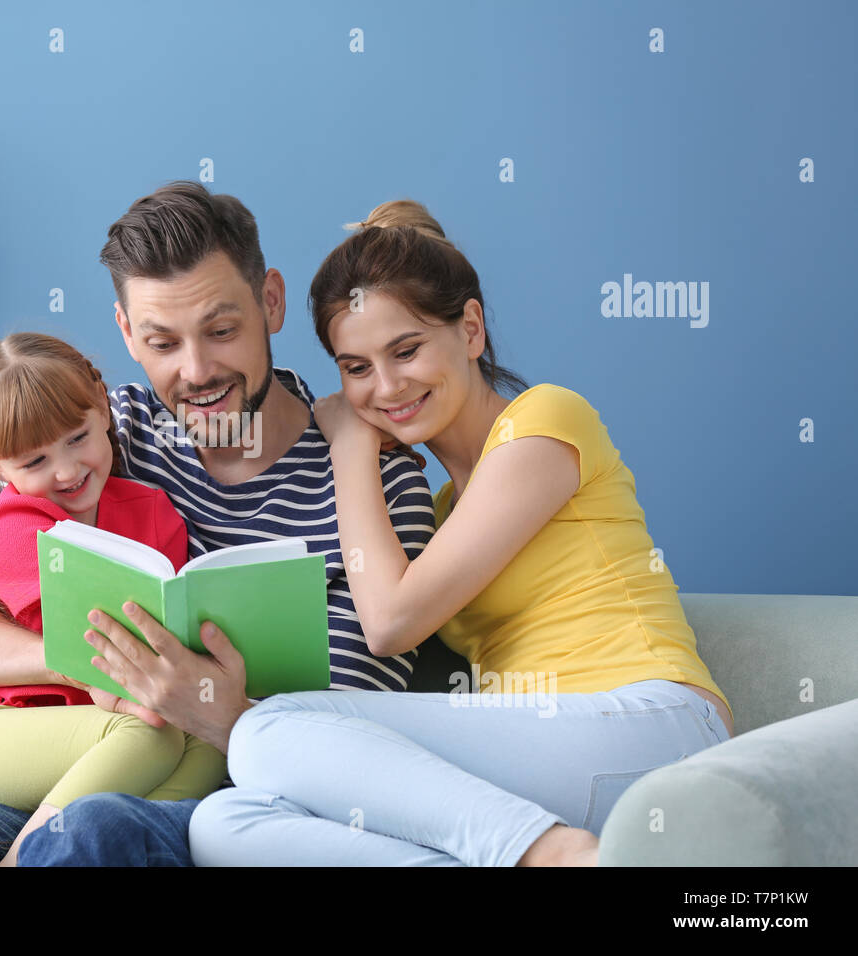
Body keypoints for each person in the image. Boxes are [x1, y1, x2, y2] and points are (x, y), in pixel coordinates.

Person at [0, 181, 435, 867]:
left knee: (94, 830)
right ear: (127, 334)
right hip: (66, 766)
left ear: (271, 302)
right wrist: (95, 657)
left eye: (222, 331)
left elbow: (353, 723)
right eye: (163, 342)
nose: (197, 372)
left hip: (212, 805)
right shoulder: (102, 433)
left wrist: (212, 708)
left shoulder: (374, 478)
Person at [183, 199, 735, 866]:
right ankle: (544, 856)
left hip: (653, 731)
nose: (385, 386)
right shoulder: (444, 510)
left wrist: (351, 445)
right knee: (225, 824)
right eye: (356, 368)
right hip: (545, 767)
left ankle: (547, 855)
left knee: (266, 731)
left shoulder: (546, 422)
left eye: (406, 349)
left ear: (470, 329)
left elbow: (388, 621)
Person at [0, 332, 227, 866]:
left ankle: (102, 839)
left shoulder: (152, 511)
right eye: (34, 461)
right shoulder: (12, 526)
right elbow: (81, 651)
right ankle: (23, 858)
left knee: (215, 741)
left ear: (103, 409)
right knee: (151, 736)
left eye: (77, 438)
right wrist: (142, 701)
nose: (66, 470)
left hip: (94, 738)